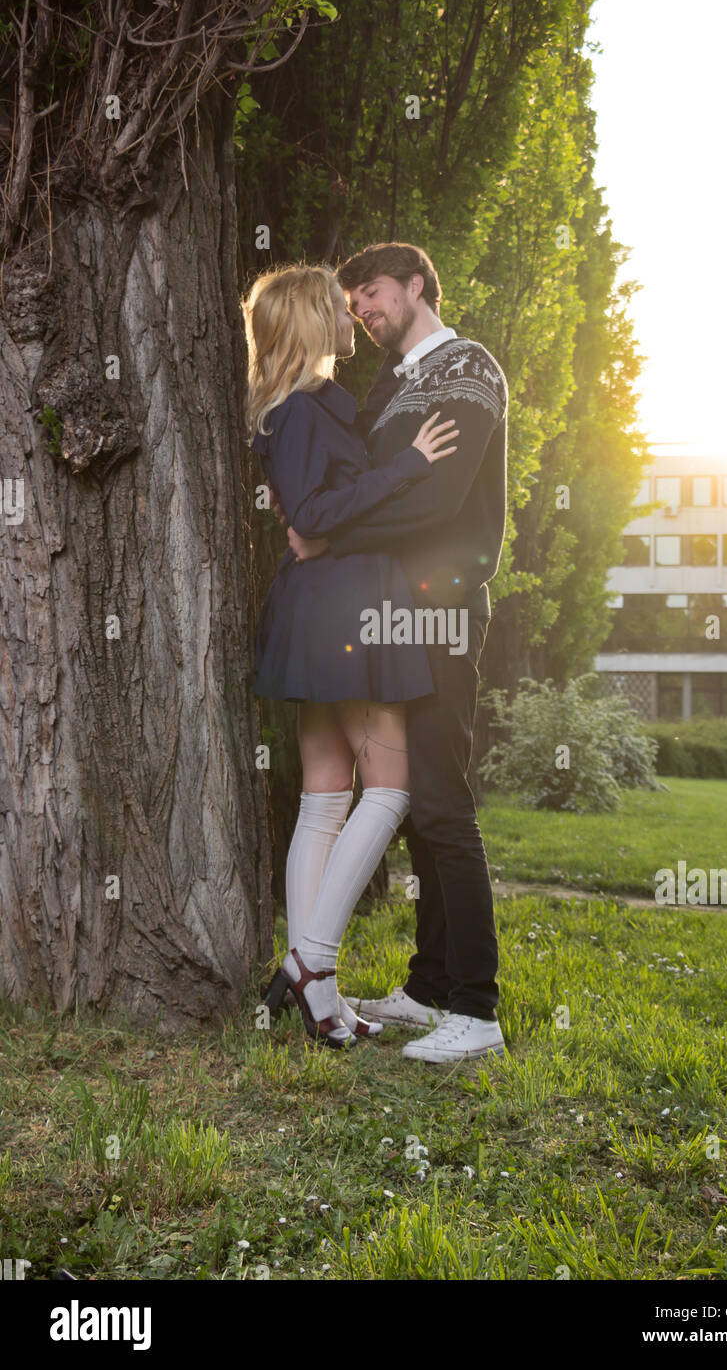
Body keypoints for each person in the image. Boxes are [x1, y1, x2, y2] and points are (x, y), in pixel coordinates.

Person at [280, 243, 509, 1064]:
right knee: (409, 798)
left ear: (416, 285)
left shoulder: (466, 368)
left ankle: (476, 1011)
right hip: (385, 613)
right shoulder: (389, 386)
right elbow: (368, 483)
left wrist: (328, 534)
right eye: (350, 298)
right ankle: (428, 986)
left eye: (370, 291)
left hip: (443, 612)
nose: (361, 308)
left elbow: (441, 503)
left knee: (443, 802)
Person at [241, 263, 459, 1050]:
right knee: (388, 790)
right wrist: (409, 466)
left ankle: (319, 1000)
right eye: (337, 307)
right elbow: (311, 512)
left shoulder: (309, 406)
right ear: (309, 322)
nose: (351, 316)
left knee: (327, 796)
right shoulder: (300, 411)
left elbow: (311, 507)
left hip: (331, 599)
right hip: (343, 604)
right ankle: (309, 965)